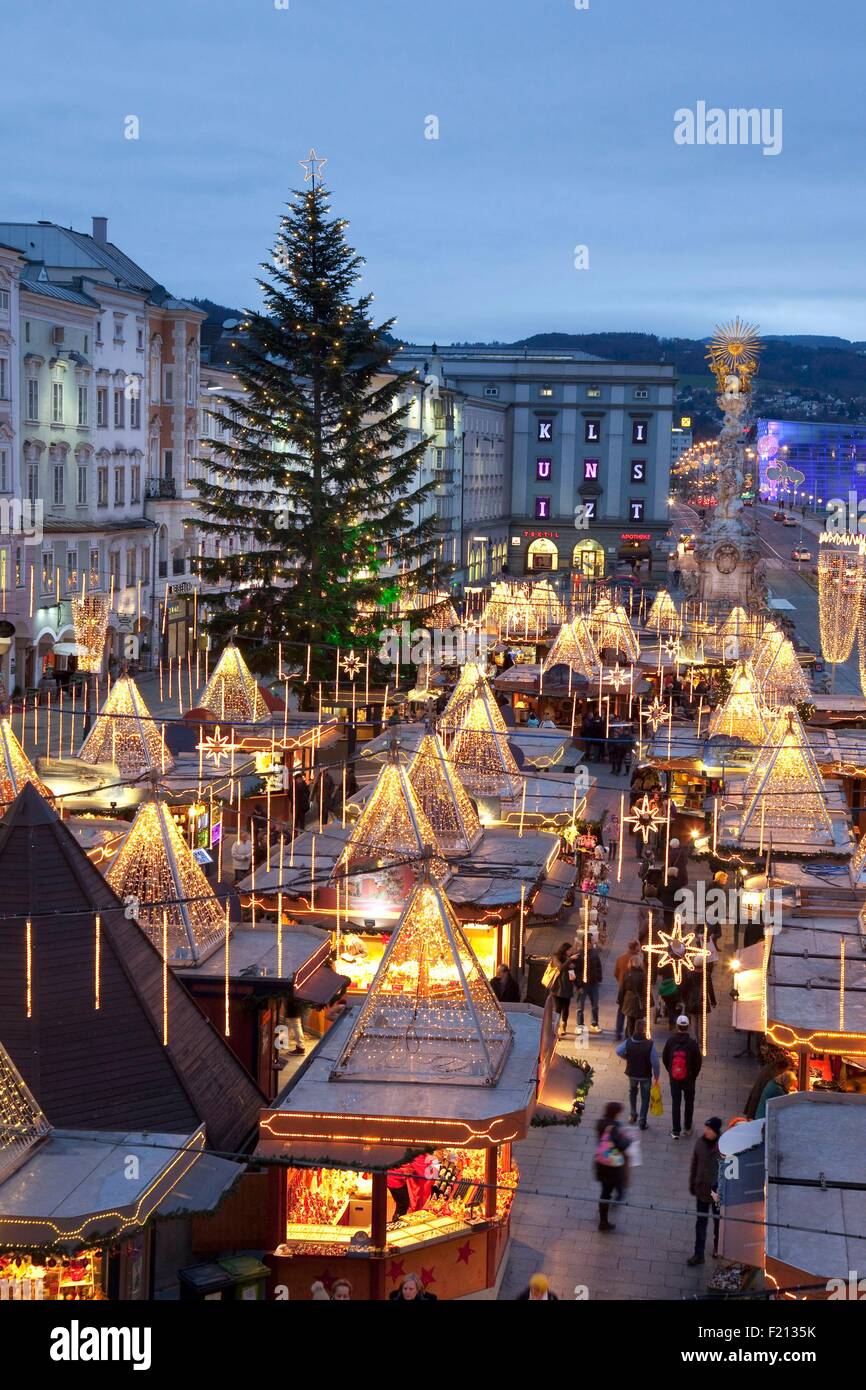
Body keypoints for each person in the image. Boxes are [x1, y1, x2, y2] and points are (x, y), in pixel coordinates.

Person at [687, 1117, 722, 1266]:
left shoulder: (723, 1147)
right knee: (701, 1222)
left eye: (709, 1129)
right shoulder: (699, 1143)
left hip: (717, 1193)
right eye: (705, 1128)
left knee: (718, 1222)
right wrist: (692, 1183)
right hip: (701, 1189)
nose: (705, 1131)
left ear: (716, 1131)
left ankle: (718, 1248)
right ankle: (698, 1254)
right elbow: (694, 1164)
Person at [662, 1015, 703, 1139]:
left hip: (675, 1078)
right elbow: (698, 1062)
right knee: (689, 1102)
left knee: (676, 1103)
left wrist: (671, 1071)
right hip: (689, 1078)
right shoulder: (692, 1044)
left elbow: (665, 1058)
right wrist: (693, 1075)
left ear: (677, 1026)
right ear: (688, 1026)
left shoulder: (670, 1041)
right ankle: (688, 1127)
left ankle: (676, 1130)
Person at [594, 1101, 631, 1232]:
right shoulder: (614, 1127)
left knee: (605, 1191)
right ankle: (604, 1221)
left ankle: (603, 1220)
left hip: (601, 1162)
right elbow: (621, 1145)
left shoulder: (600, 1123)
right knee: (615, 1187)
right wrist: (628, 1139)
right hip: (612, 1165)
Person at [615, 1028, 660, 1130]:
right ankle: (642, 1120)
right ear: (645, 1031)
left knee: (633, 1092)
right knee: (645, 1097)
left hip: (632, 1074)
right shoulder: (650, 1045)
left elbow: (618, 1051)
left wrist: (627, 1057)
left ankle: (633, 1114)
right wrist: (656, 1076)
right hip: (645, 1075)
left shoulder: (629, 1041)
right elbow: (655, 1063)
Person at [573, 933, 603, 1033]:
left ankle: (594, 1024)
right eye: (591, 941)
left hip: (593, 983)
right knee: (580, 1006)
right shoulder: (579, 954)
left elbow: (598, 966)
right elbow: (575, 971)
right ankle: (580, 1024)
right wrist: (578, 985)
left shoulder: (594, 953)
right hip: (582, 985)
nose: (593, 943)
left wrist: (599, 978)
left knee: (595, 1005)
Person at [546, 942, 576, 1038]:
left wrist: (573, 973)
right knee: (558, 1009)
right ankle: (556, 1029)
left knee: (566, 1008)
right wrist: (569, 960)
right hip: (558, 988)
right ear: (565, 950)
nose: (571, 952)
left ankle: (563, 1026)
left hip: (567, 988)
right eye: (569, 950)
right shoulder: (556, 957)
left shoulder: (570, 959)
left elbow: (571, 973)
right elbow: (560, 967)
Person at [614, 938, 640, 1041]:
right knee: (631, 1014)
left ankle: (618, 1032)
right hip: (633, 991)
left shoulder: (621, 958)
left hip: (622, 988)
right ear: (635, 947)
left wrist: (620, 981)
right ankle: (628, 1034)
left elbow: (616, 973)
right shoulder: (637, 961)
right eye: (638, 946)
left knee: (620, 1011)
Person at [617, 954, 648, 1039]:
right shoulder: (643, 975)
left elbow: (622, 989)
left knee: (630, 1020)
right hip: (639, 1001)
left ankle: (629, 1038)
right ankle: (637, 1037)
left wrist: (620, 1000)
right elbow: (645, 990)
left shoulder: (627, 974)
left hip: (629, 1000)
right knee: (639, 1021)